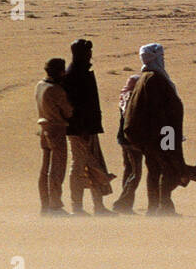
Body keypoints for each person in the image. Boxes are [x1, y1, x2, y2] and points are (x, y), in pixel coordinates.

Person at [121, 43, 186, 215]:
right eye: (161, 57)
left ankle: (155, 207)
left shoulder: (146, 77)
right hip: (162, 133)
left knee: (155, 169)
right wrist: (166, 138)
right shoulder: (155, 79)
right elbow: (159, 112)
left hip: (152, 134)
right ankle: (163, 207)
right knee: (168, 168)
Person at [62, 38, 114, 215]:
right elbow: (73, 106)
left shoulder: (81, 71)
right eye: (87, 51)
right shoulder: (74, 74)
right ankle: (77, 207)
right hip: (80, 130)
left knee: (93, 165)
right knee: (79, 166)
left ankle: (98, 206)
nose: (90, 55)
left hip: (88, 128)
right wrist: (81, 128)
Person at [35, 58, 72, 215]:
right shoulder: (55, 90)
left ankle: (45, 205)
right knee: (56, 170)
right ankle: (55, 206)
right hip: (56, 130)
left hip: (44, 129)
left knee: (45, 170)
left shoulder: (40, 85)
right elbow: (68, 112)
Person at [112, 72, 143, 213]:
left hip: (122, 138)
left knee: (129, 169)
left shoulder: (124, 96)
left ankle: (127, 204)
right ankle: (122, 202)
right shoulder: (134, 98)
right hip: (132, 139)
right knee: (136, 172)